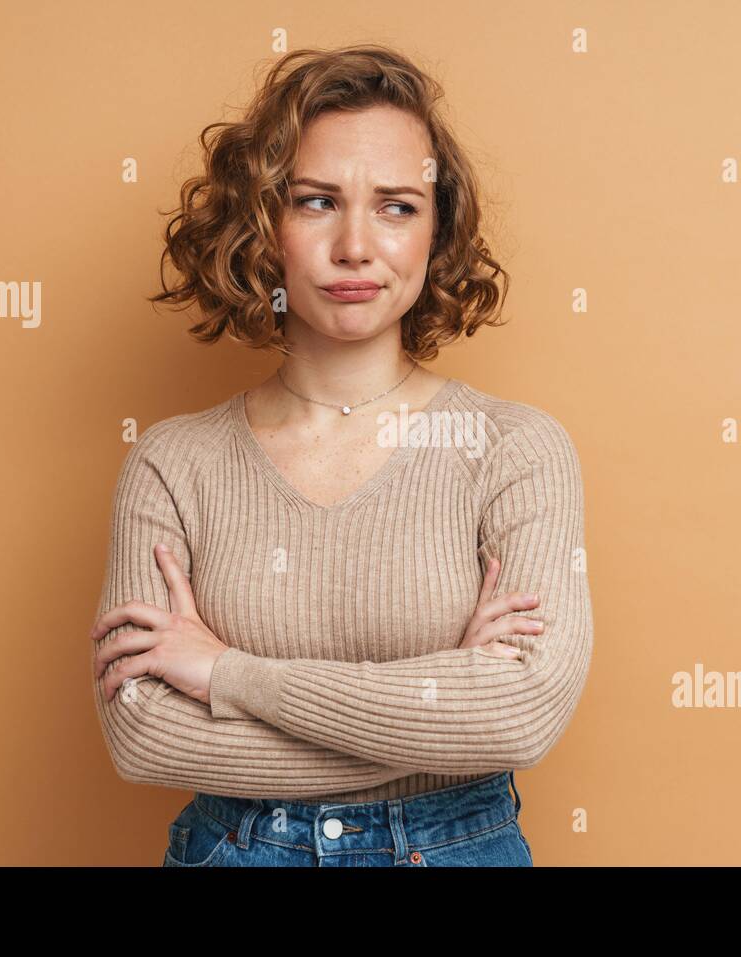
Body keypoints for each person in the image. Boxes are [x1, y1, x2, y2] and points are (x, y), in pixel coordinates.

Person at [89, 44, 593, 867]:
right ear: (262, 225)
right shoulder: (172, 465)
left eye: (396, 206)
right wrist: (440, 703)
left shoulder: (516, 449)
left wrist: (226, 674)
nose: (356, 245)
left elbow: (520, 716)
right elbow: (144, 737)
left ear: (439, 229)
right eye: (317, 201)